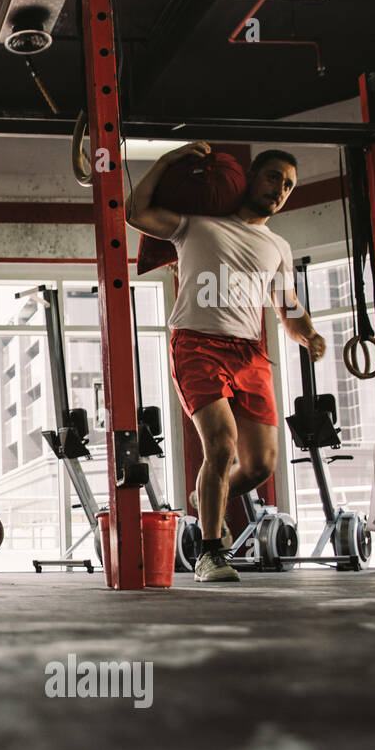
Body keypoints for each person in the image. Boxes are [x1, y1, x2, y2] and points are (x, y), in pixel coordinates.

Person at [127, 143, 326, 583]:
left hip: (249, 353)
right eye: (273, 177)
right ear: (251, 177)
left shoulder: (277, 245)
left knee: (260, 466)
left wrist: (309, 335)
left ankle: (207, 497)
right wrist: (168, 161)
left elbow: (287, 306)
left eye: (288, 185)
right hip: (197, 345)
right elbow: (135, 212)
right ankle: (210, 552)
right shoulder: (197, 224)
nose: (280, 190)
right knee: (220, 446)